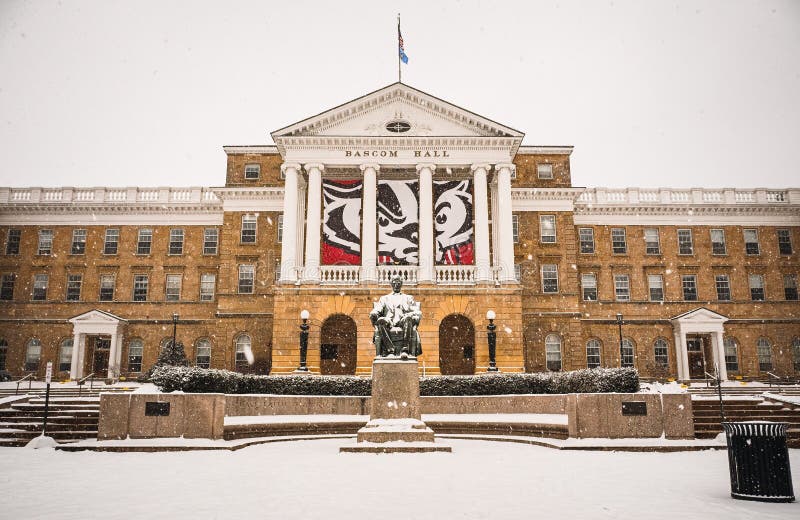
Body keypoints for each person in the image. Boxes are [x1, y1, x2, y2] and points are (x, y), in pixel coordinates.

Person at [369, 275, 422, 358]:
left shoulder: (408, 298)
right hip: (389, 322)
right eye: (394, 283)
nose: (396, 285)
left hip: (403, 321)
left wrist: (409, 314)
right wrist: (373, 314)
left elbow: (417, 312)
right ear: (391, 284)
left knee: (408, 319)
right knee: (381, 321)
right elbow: (377, 310)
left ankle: (404, 350)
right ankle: (390, 351)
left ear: (401, 284)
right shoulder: (384, 298)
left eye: (398, 283)